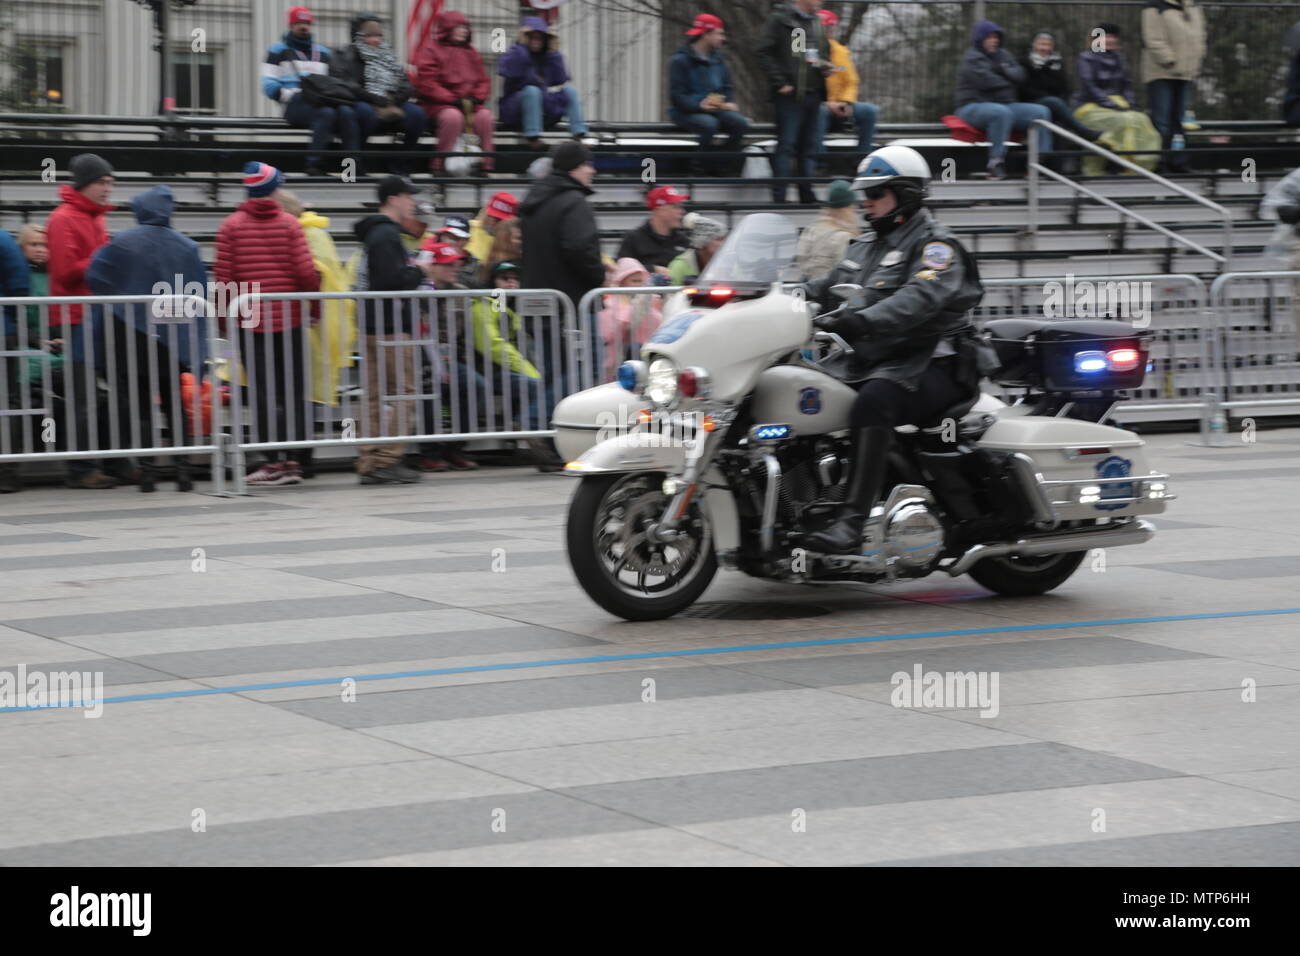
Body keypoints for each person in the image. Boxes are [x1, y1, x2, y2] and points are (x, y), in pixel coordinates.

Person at [800, 146, 990, 554]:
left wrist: (863, 320)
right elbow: (824, 286)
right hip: (875, 359)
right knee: (801, 392)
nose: (864, 202)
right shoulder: (865, 244)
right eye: (863, 194)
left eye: (876, 193)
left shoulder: (938, 247)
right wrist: (777, 296)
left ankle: (851, 523)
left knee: (874, 403)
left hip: (936, 362)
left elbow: (919, 298)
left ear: (905, 195)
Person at [85, 185, 208, 493]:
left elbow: (95, 277)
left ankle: (148, 472)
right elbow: (198, 291)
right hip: (171, 335)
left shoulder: (123, 242)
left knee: (140, 405)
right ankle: (183, 471)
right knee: (174, 403)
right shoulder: (187, 247)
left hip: (132, 335)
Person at [216, 162, 320, 487]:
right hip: (289, 320)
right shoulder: (291, 224)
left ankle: (270, 461)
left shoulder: (230, 227)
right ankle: (293, 462)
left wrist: (223, 320)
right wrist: (313, 307)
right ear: (271, 189)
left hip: (252, 321)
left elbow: (224, 280)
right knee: (293, 392)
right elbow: (306, 273)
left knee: (261, 393)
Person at [519, 140, 604, 471]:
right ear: (573, 167)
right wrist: (597, 275)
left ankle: (542, 434)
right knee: (580, 370)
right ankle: (538, 429)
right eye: (588, 164)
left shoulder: (535, 201)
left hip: (539, 301)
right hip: (570, 303)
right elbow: (580, 248)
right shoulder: (573, 201)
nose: (592, 170)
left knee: (554, 370)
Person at [352, 176, 434, 484]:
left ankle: (370, 459)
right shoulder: (386, 234)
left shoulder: (374, 232)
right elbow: (391, 280)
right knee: (405, 392)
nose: (412, 202)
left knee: (373, 393)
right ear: (393, 199)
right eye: (407, 196)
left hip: (373, 324)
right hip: (391, 325)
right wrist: (419, 271)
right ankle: (387, 458)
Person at [47, 153, 118, 489]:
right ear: (86, 184)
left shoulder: (96, 218)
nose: (109, 187)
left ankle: (111, 462)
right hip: (76, 319)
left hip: (94, 316)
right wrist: (103, 259)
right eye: (103, 181)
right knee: (84, 395)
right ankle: (82, 468)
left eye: (110, 181)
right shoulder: (63, 218)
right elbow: (65, 272)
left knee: (100, 394)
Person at [278, 190, 357, 478]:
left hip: (307, 322)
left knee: (300, 394)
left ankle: (298, 458)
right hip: (311, 321)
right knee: (302, 393)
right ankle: (299, 458)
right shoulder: (314, 233)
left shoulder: (306, 235)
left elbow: (314, 275)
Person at [262, 6, 360, 176]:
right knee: (327, 113)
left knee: (346, 112)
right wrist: (293, 95)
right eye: (299, 23)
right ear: (291, 25)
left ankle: (351, 169)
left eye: (306, 23)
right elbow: (268, 85)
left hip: (322, 102)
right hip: (295, 104)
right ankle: (314, 166)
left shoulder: (324, 52)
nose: (303, 26)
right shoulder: (277, 50)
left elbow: (336, 83)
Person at [413, 238, 480, 472]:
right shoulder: (420, 293)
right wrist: (440, 364)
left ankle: (455, 448)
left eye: (456, 264)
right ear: (431, 267)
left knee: (475, 384)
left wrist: (452, 362)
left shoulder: (461, 292)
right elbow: (421, 336)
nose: (455, 269)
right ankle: (429, 454)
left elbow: (460, 336)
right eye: (448, 265)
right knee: (430, 386)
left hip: (448, 358)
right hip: (419, 359)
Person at [330, 12, 425, 175]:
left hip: (390, 103)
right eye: (370, 35)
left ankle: (401, 166)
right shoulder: (344, 54)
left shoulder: (387, 56)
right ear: (358, 36)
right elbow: (346, 84)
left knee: (417, 115)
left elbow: (406, 84)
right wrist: (373, 98)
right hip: (361, 102)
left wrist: (395, 99)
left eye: (379, 35)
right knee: (364, 113)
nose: (376, 40)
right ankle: (354, 166)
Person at [955, 21, 1051, 181]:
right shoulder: (972, 58)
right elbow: (987, 82)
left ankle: (1039, 164)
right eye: (990, 37)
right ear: (980, 39)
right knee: (1000, 113)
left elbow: (1021, 75)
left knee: (1041, 112)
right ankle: (995, 163)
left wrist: (1003, 71)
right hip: (971, 107)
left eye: (996, 37)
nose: (994, 40)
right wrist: (1009, 78)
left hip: (1003, 105)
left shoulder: (1003, 55)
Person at [758, 0, 832, 203]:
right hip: (790, 96)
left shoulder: (817, 22)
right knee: (787, 146)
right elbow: (764, 52)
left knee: (808, 147)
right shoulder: (781, 19)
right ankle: (780, 197)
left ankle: (806, 193)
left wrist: (825, 66)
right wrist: (780, 82)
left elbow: (816, 53)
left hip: (813, 93)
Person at [413, 10, 495, 174]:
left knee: (485, 117)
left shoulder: (471, 52)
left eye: (465, 28)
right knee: (452, 118)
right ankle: (439, 164)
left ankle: (485, 165)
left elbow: (483, 80)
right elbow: (427, 83)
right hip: (439, 104)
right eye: (460, 27)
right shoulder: (431, 49)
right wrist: (451, 99)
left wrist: (477, 98)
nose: (464, 31)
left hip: (469, 104)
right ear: (448, 28)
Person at [668, 13, 750, 176]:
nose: (723, 38)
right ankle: (698, 167)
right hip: (687, 111)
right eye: (719, 33)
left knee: (740, 123)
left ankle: (723, 166)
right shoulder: (680, 61)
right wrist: (699, 106)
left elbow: (727, 87)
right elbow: (677, 96)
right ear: (706, 34)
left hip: (715, 109)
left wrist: (728, 103)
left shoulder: (719, 60)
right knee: (708, 124)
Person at [1073, 24, 1161, 175]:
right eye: (1107, 36)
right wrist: (1111, 104)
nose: (1110, 39)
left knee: (1141, 120)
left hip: (1119, 106)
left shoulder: (1119, 59)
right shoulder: (1086, 58)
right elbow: (1089, 86)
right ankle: (1100, 168)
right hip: (1090, 107)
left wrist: (1130, 104)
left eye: (1113, 36)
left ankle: (1137, 168)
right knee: (1123, 121)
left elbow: (1127, 85)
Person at [469, 261, 542, 436]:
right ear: (493, 281)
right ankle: (524, 427)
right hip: (487, 369)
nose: (511, 283)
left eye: (516, 279)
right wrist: (531, 372)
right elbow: (494, 347)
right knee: (535, 385)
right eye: (504, 278)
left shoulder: (506, 306)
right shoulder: (483, 307)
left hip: (504, 368)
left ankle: (520, 429)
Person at [1019, 30, 1103, 175]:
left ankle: (1056, 168)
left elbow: (1064, 88)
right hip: (1032, 103)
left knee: (1058, 124)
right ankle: (1082, 131)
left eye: (1048, 44)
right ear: (1034, 45)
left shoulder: (1057, 63)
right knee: (1053, 102)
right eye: (1042, 44)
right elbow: (1026, 88)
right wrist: (1045, 71)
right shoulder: (1025, 62)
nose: (1045, 48)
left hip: (1055, 106)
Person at [497, 17, 588, 150]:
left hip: (540, 105)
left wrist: (554, 53)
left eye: (539, 38)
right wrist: (521, 47)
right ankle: (533, 137)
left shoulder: (546, 57)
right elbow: (508, 70)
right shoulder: (515, 52)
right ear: (525, 38)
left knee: (570, 91)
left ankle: (579, 135)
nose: (536, 42)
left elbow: (560, 78)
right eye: (532, 38)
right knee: (532, 91)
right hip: (514, 109)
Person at [1142, 0, 1206, 174]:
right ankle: (1160, 161)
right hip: (1162, 72)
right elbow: (1153, 39)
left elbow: (1200, 37)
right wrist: (1171, 61)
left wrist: (1195, 63)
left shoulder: (1193, 6)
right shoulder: (1155, 5)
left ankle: (1179, 161)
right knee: (1162, 121)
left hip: (1186, 73)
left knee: (1180, 120)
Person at [814, 9, 879, 158]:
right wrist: (827, 103)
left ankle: (861, 160)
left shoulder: (841, 52)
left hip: (841, 105)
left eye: (830, 28)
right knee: (819, 112)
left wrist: (846, 102)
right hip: (821, 107)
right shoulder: (808, 52)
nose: (828, 32)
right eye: (824, 28)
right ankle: (820, 163)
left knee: (870, 111)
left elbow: (851, 81)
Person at [598, 258, 662, 382]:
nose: (640, 285)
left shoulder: (652, 301)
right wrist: (640, 306)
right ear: (621, 281)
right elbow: (616, 330)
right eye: (635, 281)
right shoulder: (610, 304)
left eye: (642, 281)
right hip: (617, 367)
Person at [0, 228, 30, 493]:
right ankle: (6, 472)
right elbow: (19, 284)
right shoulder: (2, 238)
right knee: (7, 401)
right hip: (1, 330)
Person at [616, 185, 691, 274]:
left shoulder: (683, 241)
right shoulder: (633, 239)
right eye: (675, 207)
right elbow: (622, 270)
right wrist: (653, 269)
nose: (682, 211)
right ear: (659, 209)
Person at [795, 179, 860, 280]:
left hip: (808, 289)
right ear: (849, 207)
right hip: (830, 292)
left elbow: (801, 261)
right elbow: (848, 275)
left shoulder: (811, 229)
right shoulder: (844, 237)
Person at [667, 213, 727, 286]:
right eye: (718, 239)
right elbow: (669, 295)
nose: (723, 244)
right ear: (703, 241)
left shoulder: (726, 264)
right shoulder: (680, 265)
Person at [465, 191, 518, 266]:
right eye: (491, 216)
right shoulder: (468, 228)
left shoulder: (515, 241)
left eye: (499, 220)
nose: (493, 222)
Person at [478, 216, 523, 285]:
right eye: (519, 238)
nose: (524, 241)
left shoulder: (528, 261)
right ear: (505, 240)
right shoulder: (498, 269)